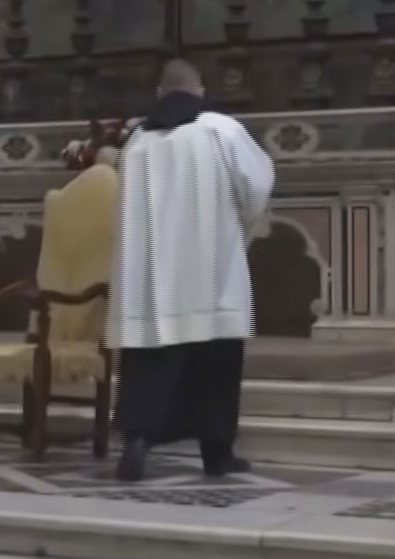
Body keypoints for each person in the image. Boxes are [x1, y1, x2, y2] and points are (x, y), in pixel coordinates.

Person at [110, 59, 275, 482]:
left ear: (159, 94)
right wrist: (240, 225)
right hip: (210, 270)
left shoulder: (136, 142)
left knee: (149, 362)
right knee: (216, 361)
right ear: (199, 90)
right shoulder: (222, 130)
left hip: (150, 282)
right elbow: (256, 186)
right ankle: (217, 453)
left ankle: (138, 443)